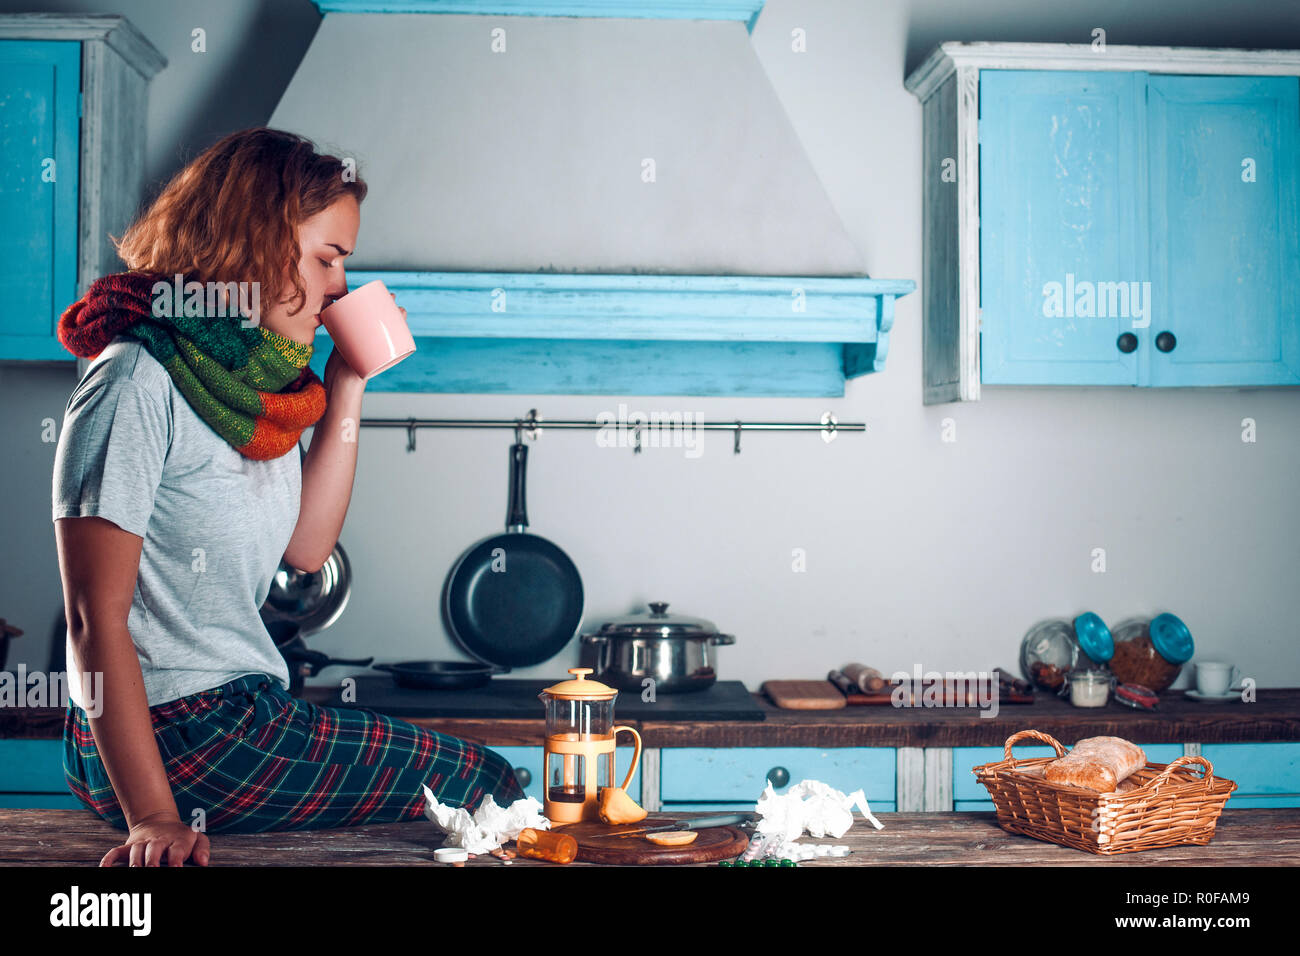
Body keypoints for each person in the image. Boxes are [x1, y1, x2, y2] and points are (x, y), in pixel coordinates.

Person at [51, 127, 524, 868]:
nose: (338, 286)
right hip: (181, 731)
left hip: (235, 717)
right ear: (252, 243)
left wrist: (349, 383)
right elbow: (91, 618)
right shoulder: (134, 382)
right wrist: (151, 817)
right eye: (327, 257)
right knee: (491, 784)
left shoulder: (254, 389)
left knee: (479, 796)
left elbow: (306, 550)